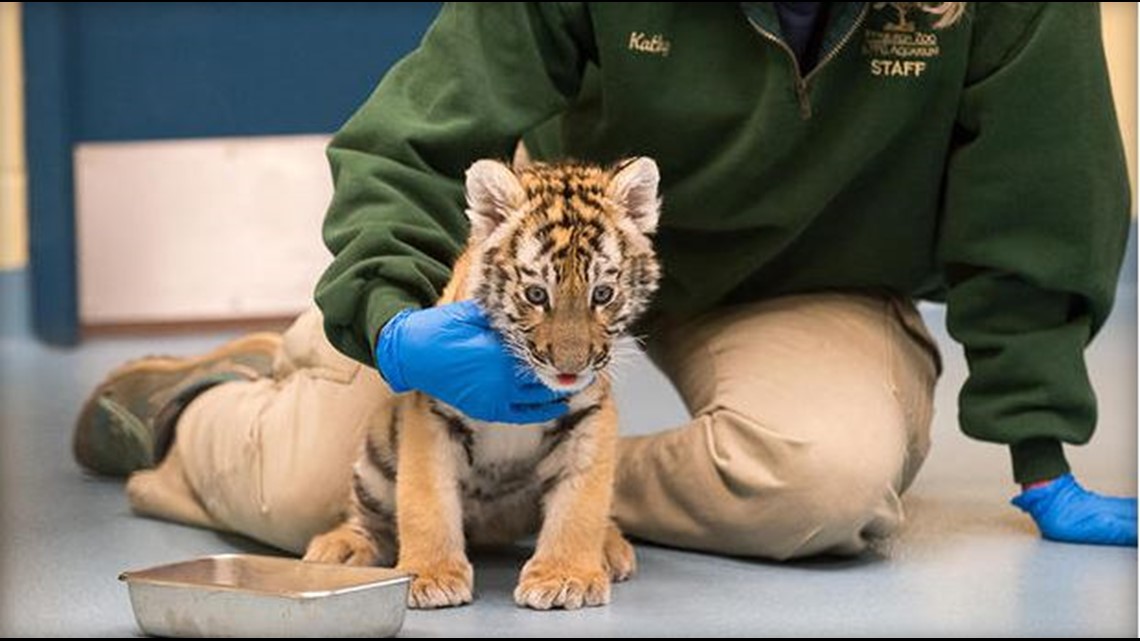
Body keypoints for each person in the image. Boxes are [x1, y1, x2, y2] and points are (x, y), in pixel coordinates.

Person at [74, 2, 1136, 559]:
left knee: (823, 482)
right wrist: (390, 321)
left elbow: (1040, 194)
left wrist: (1039, 452)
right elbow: (408, 141)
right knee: (319, 493)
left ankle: (522, 491)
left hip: (810, 278)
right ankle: (198, 405)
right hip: (561, 265)